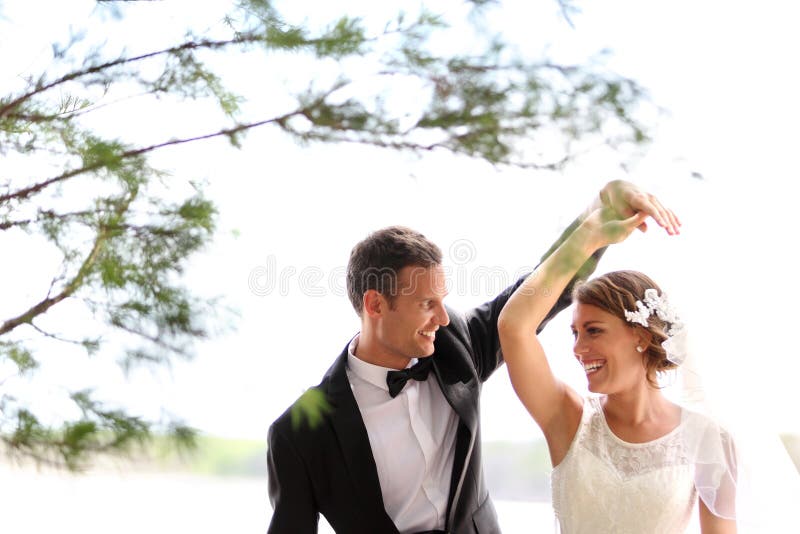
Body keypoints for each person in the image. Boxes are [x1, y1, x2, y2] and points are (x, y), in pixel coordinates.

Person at [266, 181, 678, 534]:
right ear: (375, 305)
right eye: (428, 303)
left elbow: (537, 292)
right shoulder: (298, 434)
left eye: (443, 300)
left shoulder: (455, 347)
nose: (442, 317)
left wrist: (599, 214)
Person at [497, 207, 745, 533]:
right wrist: (587, 238)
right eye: (575, 333)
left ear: (641, 336)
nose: (578, 348)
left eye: (593, 330)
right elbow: (514, 325)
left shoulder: (710, 439)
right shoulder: (568, 417)